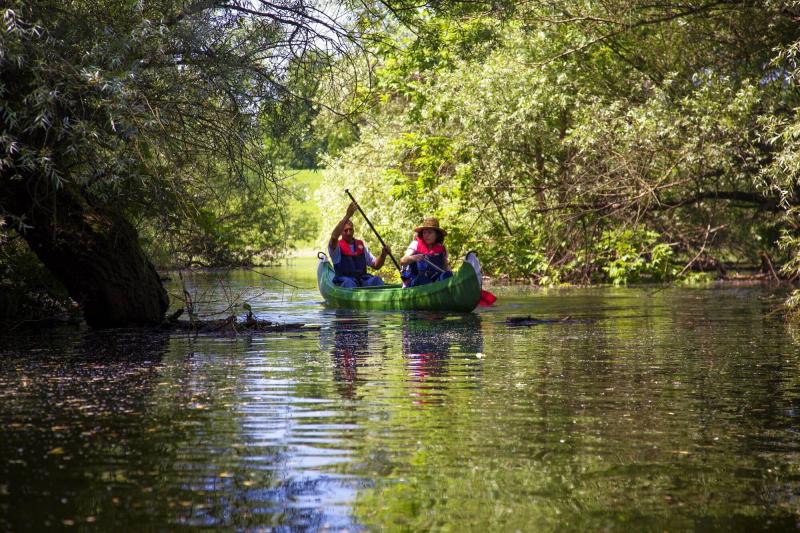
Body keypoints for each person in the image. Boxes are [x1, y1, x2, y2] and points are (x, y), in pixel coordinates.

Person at [328, 202, 390, 288]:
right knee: (349, 284)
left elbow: (376, 265)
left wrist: (383, 255)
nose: (349, 233)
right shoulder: (335, 248)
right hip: (345, 282)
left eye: (351, 230)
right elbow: (334, 236)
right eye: (345, 230)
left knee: (376, 280)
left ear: (353, 231)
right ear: (341, 232)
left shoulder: (361, 246)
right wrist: (348, 215)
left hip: (362, 280)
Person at [400, 217, 453, 287]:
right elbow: (402, 261)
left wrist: (451, 276)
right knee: (423, 278)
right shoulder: (415, 244)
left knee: (447, 275)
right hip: (416, 282)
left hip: (434, 281)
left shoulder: (442, 248)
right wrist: (414, 258)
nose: (426, 235)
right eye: (424, 232)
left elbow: (446, 267)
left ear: (437, 235)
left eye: (430, 232)